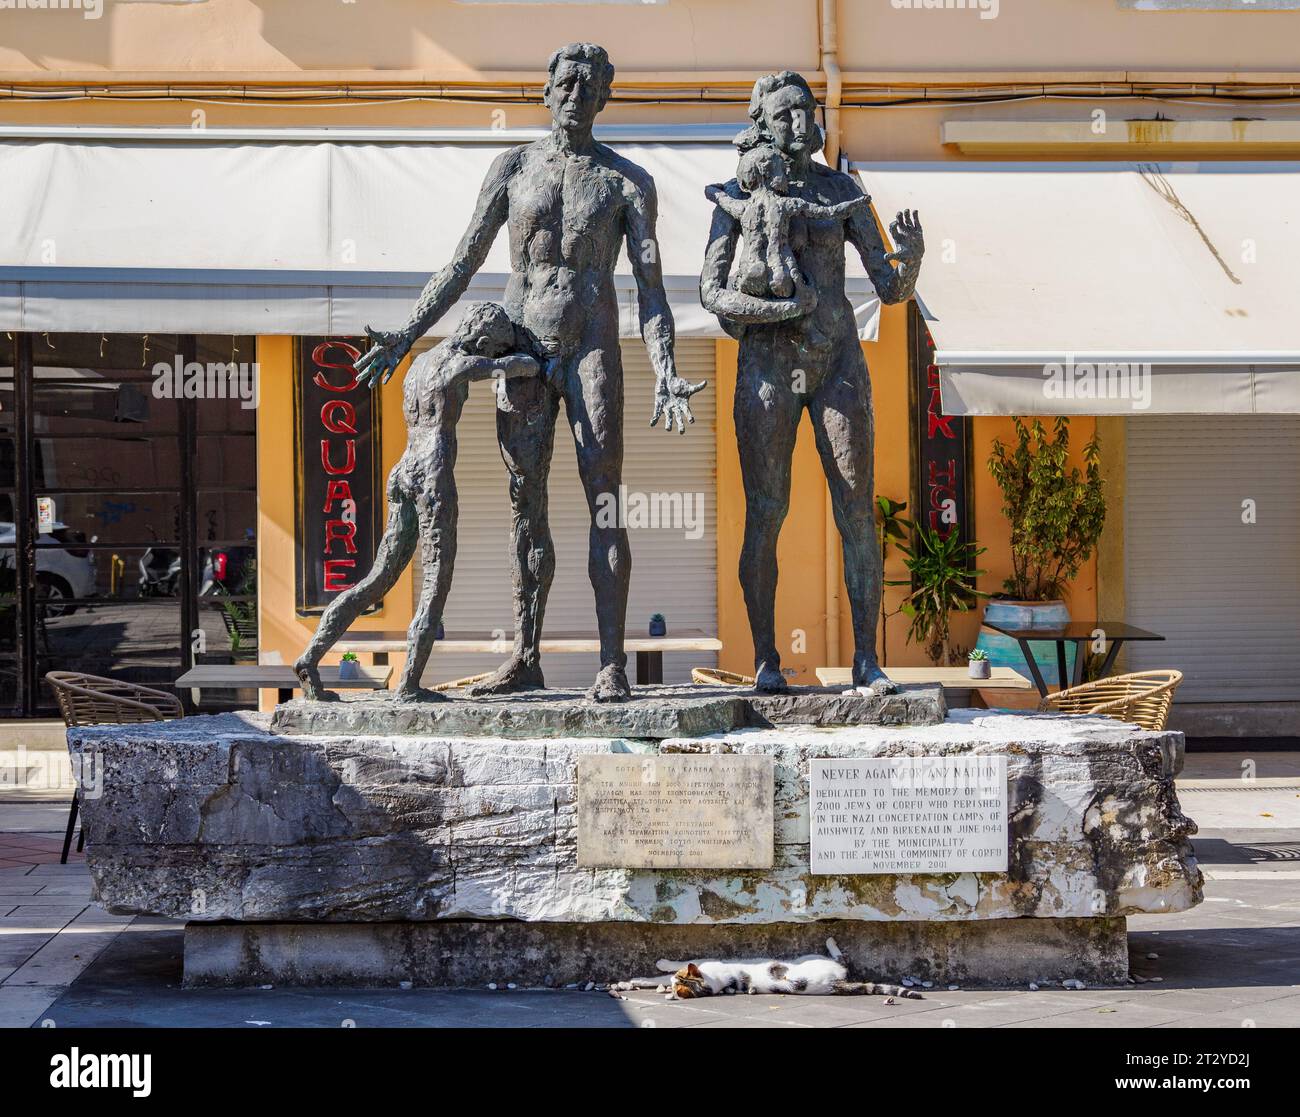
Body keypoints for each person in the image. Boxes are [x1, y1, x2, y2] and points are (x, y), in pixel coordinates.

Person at [353, 43, 705, 704]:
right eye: (564, 83)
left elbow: (651, 291)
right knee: (526, 506)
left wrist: (663, 365)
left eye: (587, 84)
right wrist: (406, 333)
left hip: (593, 345)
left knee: (606, 497)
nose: (574, 93)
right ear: (545, 93)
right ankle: (527, 655)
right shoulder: (513, 167)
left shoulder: (629, 183)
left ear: (604, 97)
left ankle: (611, 664)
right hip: (522, 347)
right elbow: (462, 261)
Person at [700, 71, 924, 695]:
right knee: (767, 513)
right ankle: (767, 660)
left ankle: (866, 661)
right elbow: (711, 295)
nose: (800, 122)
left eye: (807, 110)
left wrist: (912, 260)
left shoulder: (842, 191)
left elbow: (890, 290)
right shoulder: (736, 196)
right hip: (767, 366)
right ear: (762, 125)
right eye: (785, 114)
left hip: (837, 364)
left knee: (856, 509)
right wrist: (782, 311)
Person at [294, 303, 540, 702]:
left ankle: (310, 656)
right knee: (435, 582)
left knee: (375, 580)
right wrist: (522, 357)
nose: (490, 355)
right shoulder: (459, 365)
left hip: (403, 470)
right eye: (490, 348)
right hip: (431, 474)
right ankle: (409, 685)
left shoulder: (420, 363)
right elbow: (521, 367)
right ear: (480, 342)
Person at [705, 144, 868, 353]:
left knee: (740, 287)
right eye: (780, 168)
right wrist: (852, 206)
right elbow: (825, 212)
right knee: (802, 292)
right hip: (780, 268)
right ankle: (808, 330)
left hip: (751, 268)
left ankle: (772, 316)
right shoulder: (785, 204)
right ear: (770, 173)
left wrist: (712, 190)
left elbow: (719, 198)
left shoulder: (743, 206)